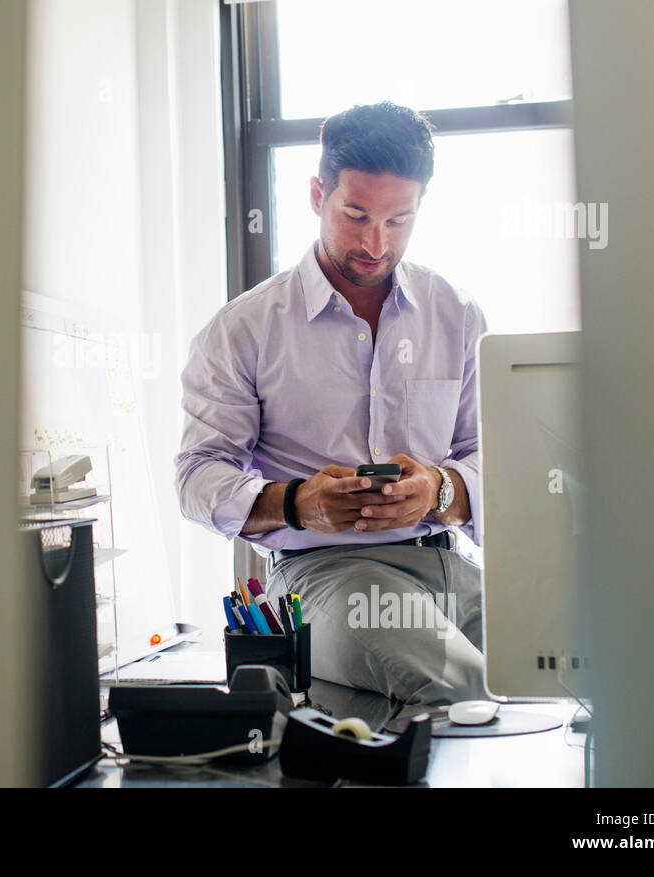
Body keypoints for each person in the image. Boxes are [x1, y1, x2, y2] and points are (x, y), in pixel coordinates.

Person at [174, 101, 490, 705]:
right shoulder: (244, 329)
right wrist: (298, 503)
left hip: (450, 563)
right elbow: (197, 477)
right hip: (325, 571)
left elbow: (492, 456)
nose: (377, 242)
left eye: (400, 220)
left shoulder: (458, 314)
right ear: (317, 195)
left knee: (582, 672)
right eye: (357, 214)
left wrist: (440, 490)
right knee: (461, 685)